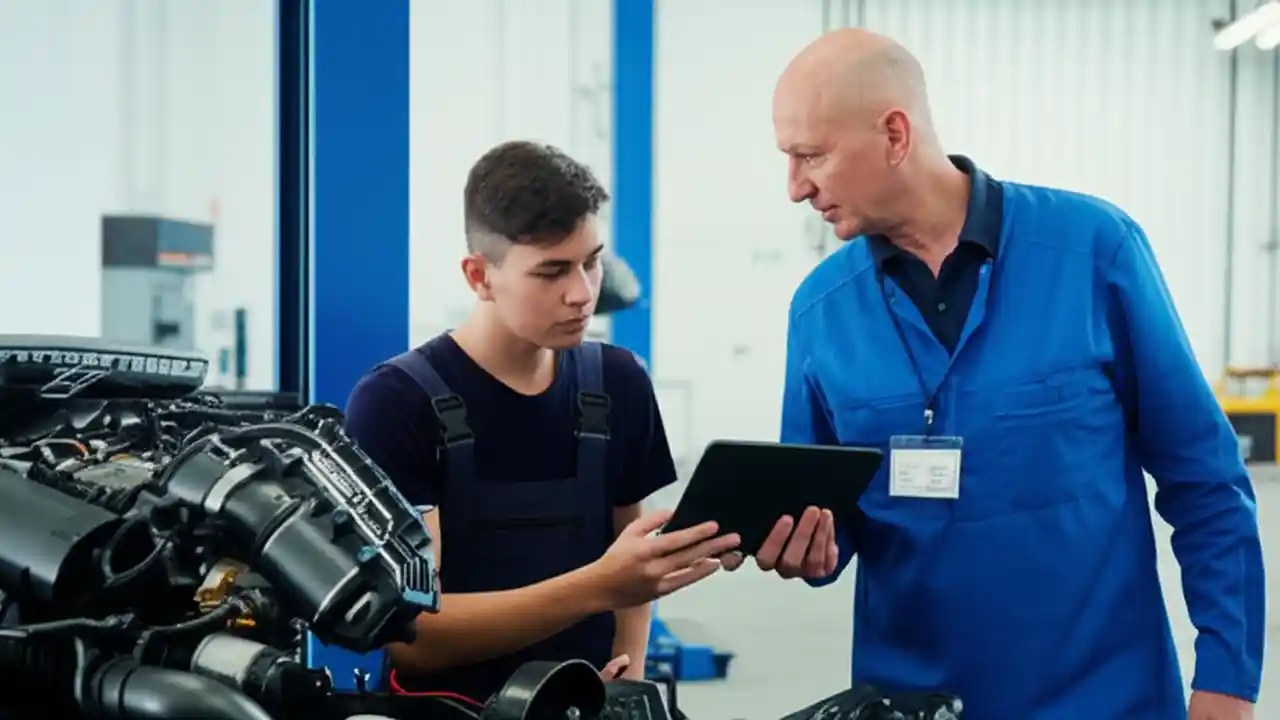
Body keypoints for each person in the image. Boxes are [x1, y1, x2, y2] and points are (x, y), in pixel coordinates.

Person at [754, 27, 1265, 720]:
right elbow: (827, 516)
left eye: (810, 156)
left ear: (895, 135)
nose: (795, 188)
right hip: (908, 704)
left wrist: (1227, 683)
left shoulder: (1094, 251)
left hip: (1105, 700)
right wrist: (809, 549)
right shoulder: (819, 311)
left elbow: (1205, 481)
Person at [343, 140, 741, 703]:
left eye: (591, 261)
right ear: (479, 276)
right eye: (551, 272)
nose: (582, 294)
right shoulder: (395, 404)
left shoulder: (618, 383)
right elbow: (414, 636)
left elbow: (632, 562)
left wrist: (628, 677)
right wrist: (597, 586)